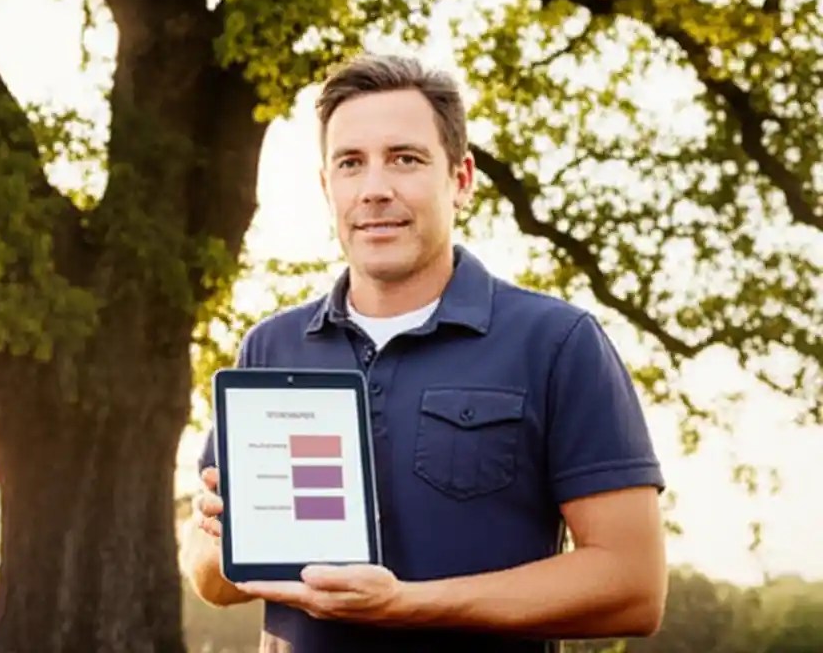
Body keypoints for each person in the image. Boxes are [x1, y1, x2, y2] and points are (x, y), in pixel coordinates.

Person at [181, 53, 668, 652]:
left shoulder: (557, 341)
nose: (374, 189)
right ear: (327, 186)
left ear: (460, 180)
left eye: (405, 159)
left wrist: (405, 605)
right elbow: (211, 578)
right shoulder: (270, 346)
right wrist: (216, 538)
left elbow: (632, 586)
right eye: (351, 164)